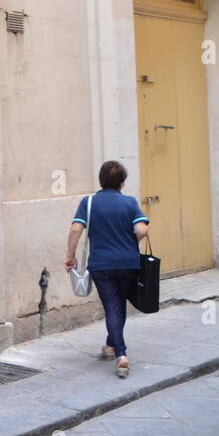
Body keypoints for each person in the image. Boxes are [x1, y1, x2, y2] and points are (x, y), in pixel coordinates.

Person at [64, 160, 149, 378]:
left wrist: (70, 256)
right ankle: (111, 345)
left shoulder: (89, 202)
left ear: (101, 180)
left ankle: (121, 354)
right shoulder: (130, 203)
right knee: (118, 304)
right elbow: (141, 230)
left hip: (101, 265)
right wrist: (131, 238)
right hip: (128, 262)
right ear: (122, 182)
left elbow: (76, 229)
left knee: (112, 305)